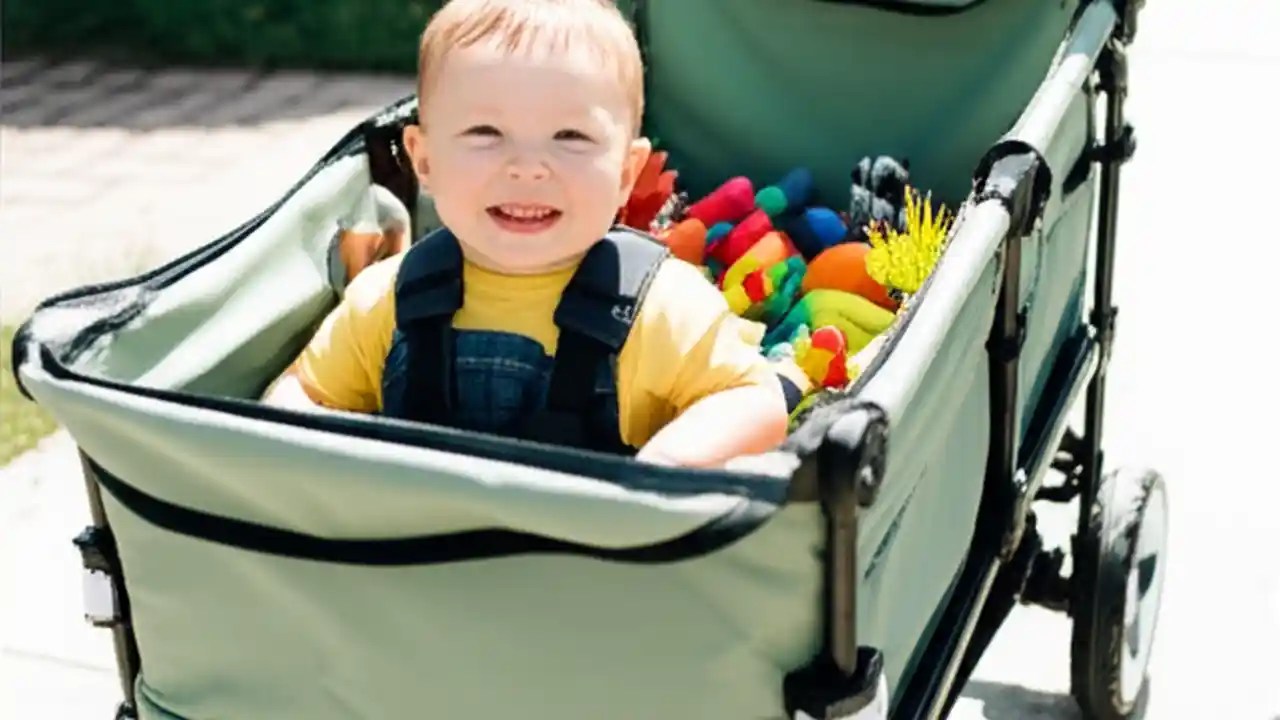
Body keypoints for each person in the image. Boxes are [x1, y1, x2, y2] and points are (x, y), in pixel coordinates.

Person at [264, 0, 801, 467]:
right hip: (421, 566)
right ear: (423, 161)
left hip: (594, 567)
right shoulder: (387, 299)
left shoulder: (662, 308)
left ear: (625, 174)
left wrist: (664, 465)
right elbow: (301, 393)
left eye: (569, 136)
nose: (526, 167)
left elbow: (753, 403)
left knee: (782, 380)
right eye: (485, 133)